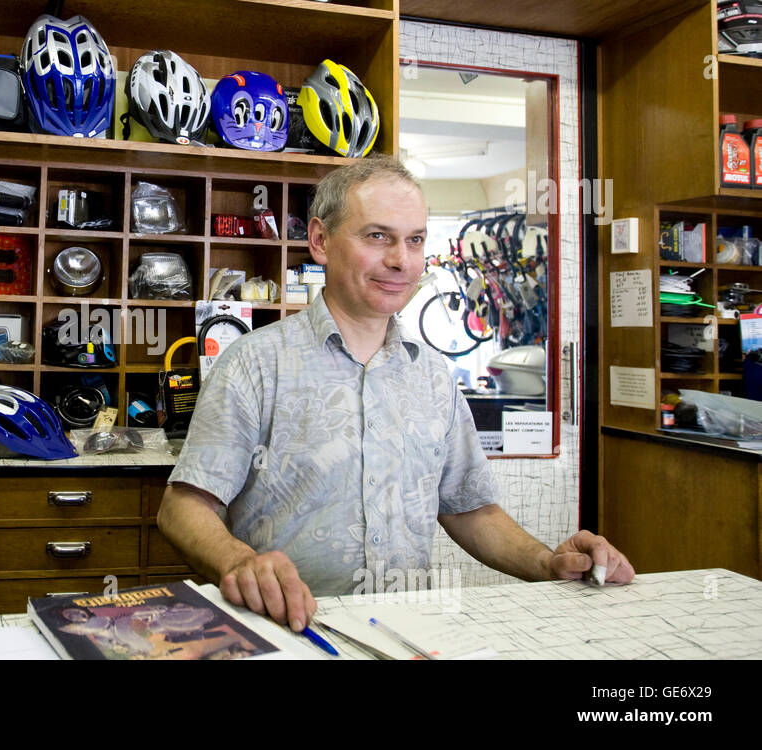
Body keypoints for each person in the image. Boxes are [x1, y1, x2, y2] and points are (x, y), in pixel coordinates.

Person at [158, 156, 634, 632]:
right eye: (377, 236)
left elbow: (470, 508)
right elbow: (183, 507)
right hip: (290, 632)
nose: (401, 261)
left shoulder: (432, 376)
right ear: (321, 240)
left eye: (415, 240)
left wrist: (547, 562)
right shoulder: (254, 364)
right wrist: (238, 561)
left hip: (407, 634)